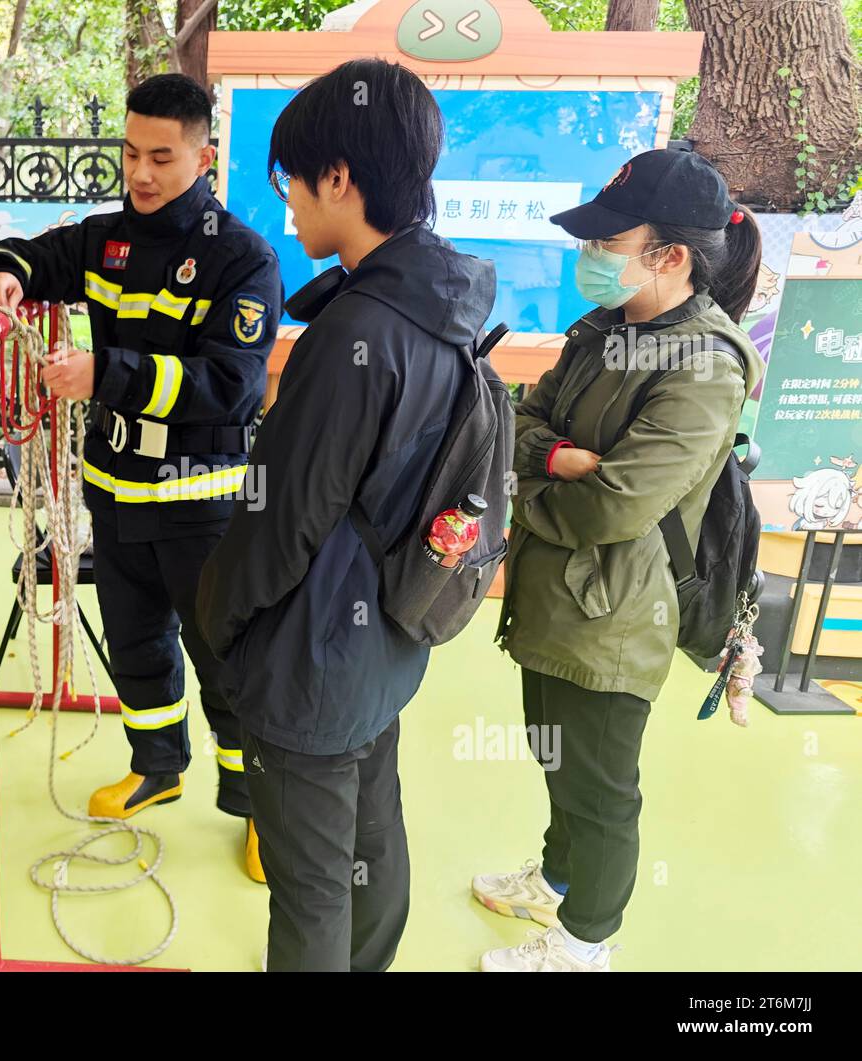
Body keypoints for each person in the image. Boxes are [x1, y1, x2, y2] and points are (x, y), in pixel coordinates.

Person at [196, 58, 497, 971]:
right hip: (384, 636)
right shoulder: (445, 304)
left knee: (312, 884)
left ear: (340, 178)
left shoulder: (357, 334)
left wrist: (216, 620)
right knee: (373, 843)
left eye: (293, 179)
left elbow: (281, 519)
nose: (285, 202)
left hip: (311, 657)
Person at [0, 73, 282, 880]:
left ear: (204, 157)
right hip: (112, 491)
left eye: (162, 158)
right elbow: (22, 259)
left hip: (198, 498)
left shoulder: (240, 259)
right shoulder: (105, 237)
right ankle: (157, 768)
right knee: (137, 642)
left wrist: (106, 371)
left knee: (223, 657)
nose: (141, 174)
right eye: (131, 153)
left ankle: (257, 806)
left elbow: (230, 386)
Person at [477, 148, 764, 971]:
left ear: (669, 256)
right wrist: (557, 455)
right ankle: (557, 879)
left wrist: (532, 479)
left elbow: (617, 504)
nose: (589, 255)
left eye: (607, 239)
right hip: (552, 592)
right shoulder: (605, 327)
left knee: (601, 791)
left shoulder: (706, 366)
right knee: (554, 753)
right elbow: (523, 422)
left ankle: (585, 943)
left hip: (615, 616)